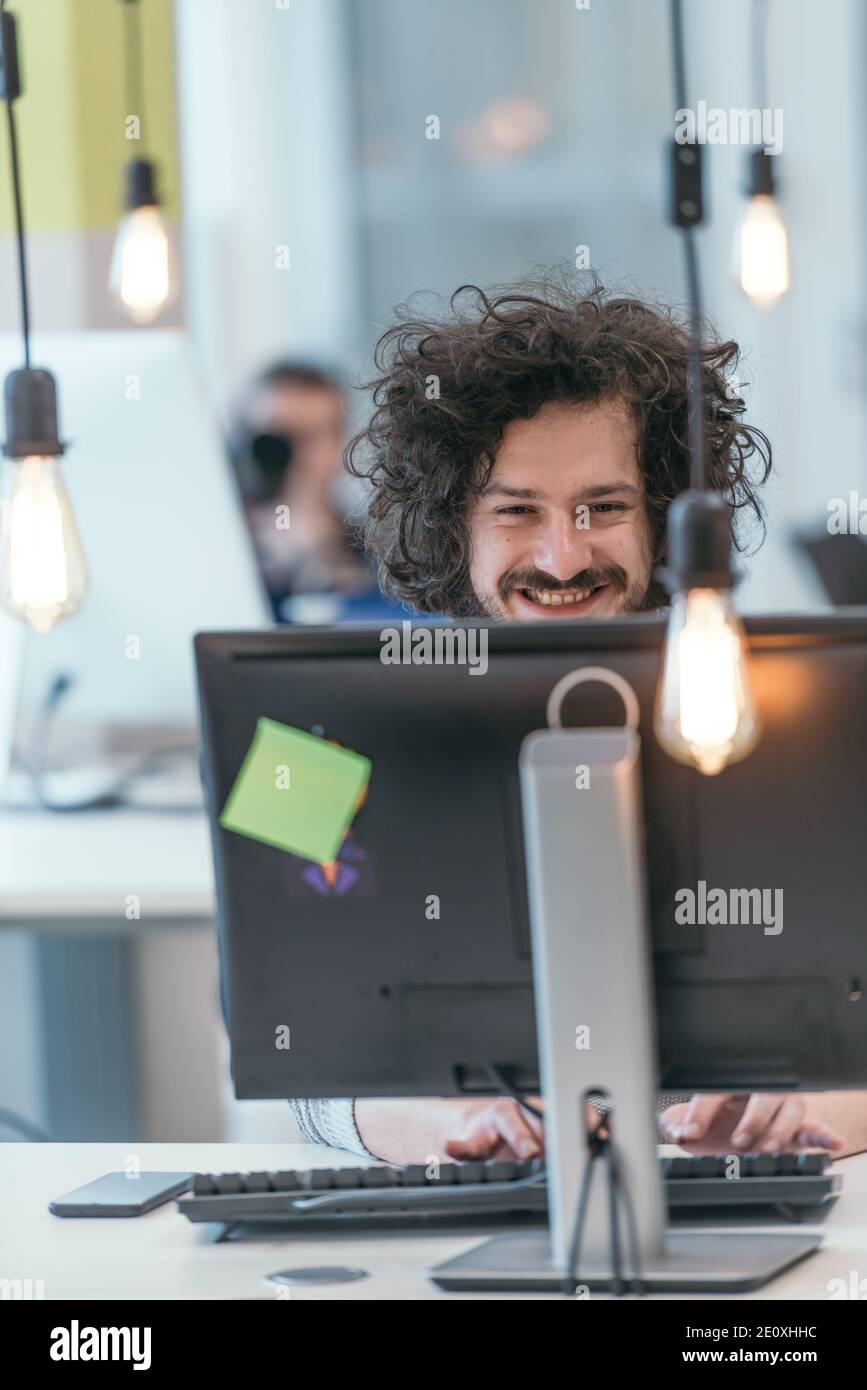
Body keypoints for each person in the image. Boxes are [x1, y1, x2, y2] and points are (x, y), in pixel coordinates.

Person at [289, 278, 867, 1164]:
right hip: (464, 1228)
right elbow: (284, 1042)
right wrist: (448, 1124)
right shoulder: (314, 727)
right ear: (454, 528)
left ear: (666, 521)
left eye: (604, 508)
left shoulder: (811, 714)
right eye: (517, 511)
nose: (563, 556)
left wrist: (808, 1108)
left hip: (762, 1220)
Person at [229, 361, 370, 618]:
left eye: (309, 437)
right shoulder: (215, 549)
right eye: (276, 438)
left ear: (339, 446)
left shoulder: (378, 551)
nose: (292, 455)